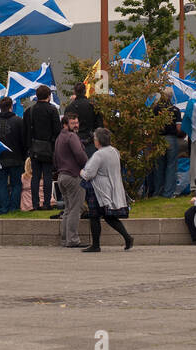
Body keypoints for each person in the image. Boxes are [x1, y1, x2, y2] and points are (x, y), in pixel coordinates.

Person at [79, 128, 133, 252]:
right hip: (111, 187)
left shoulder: (98, 154)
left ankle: (96, 245)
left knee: (94, 216)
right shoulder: (115, 151)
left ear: (98, 141)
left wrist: (80, 171)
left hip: (99, 189)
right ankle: (127, 237)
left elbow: (89, 174)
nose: (94, 140)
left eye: (95, 138)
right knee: (109, 217)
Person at [54, 113, 89, 248]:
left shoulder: (59, 138)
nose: (76, 125)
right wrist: (86, 166)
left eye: (77, 122)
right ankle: (73, 240)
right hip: (73, 175)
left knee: (68, 208)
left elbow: (55, 158)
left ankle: (65, 239)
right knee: (75, 208)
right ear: (65, 124)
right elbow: (80, 154)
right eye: (73, 123)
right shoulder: (71, 136)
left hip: (62, 176)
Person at [23, 86, 60, 211]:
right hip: (48, 148)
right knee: (48, 176)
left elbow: (26, 131)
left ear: (36, 96)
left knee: (36, 176)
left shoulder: (29, 111)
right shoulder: (52, 110)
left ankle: (35, 204)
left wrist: (29, 147)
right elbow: (57, 131)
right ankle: (47, 203)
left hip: (34, 148)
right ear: (49, 96)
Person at [0, 97, 26, 213]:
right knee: (16, 184)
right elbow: (24, 141)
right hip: (16, 157)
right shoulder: (19, 121)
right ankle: (14, 208)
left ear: (0, 107)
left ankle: (3, 208)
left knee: (1, 184)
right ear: (11, 106)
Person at [65, 83, 102, 151]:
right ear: (85, 91)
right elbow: (100, 125)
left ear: (74, 92)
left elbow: (66, 127)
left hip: (75, 142)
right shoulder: (93, 106)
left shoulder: (69, 108)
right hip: (91, 140)